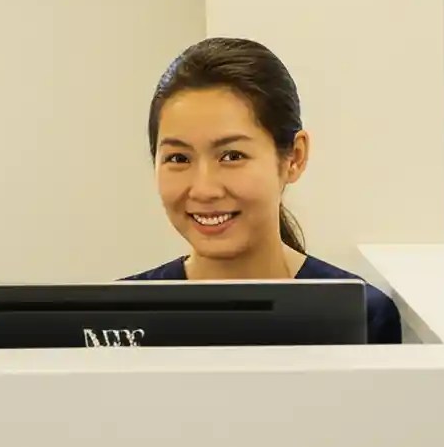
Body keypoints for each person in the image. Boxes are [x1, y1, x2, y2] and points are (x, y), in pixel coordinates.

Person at [124, 37, 402, 344]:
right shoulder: (118, 318)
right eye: (179, 158)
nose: (204, 190)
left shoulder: (359, 316)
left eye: (232, 156)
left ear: (294, 157)